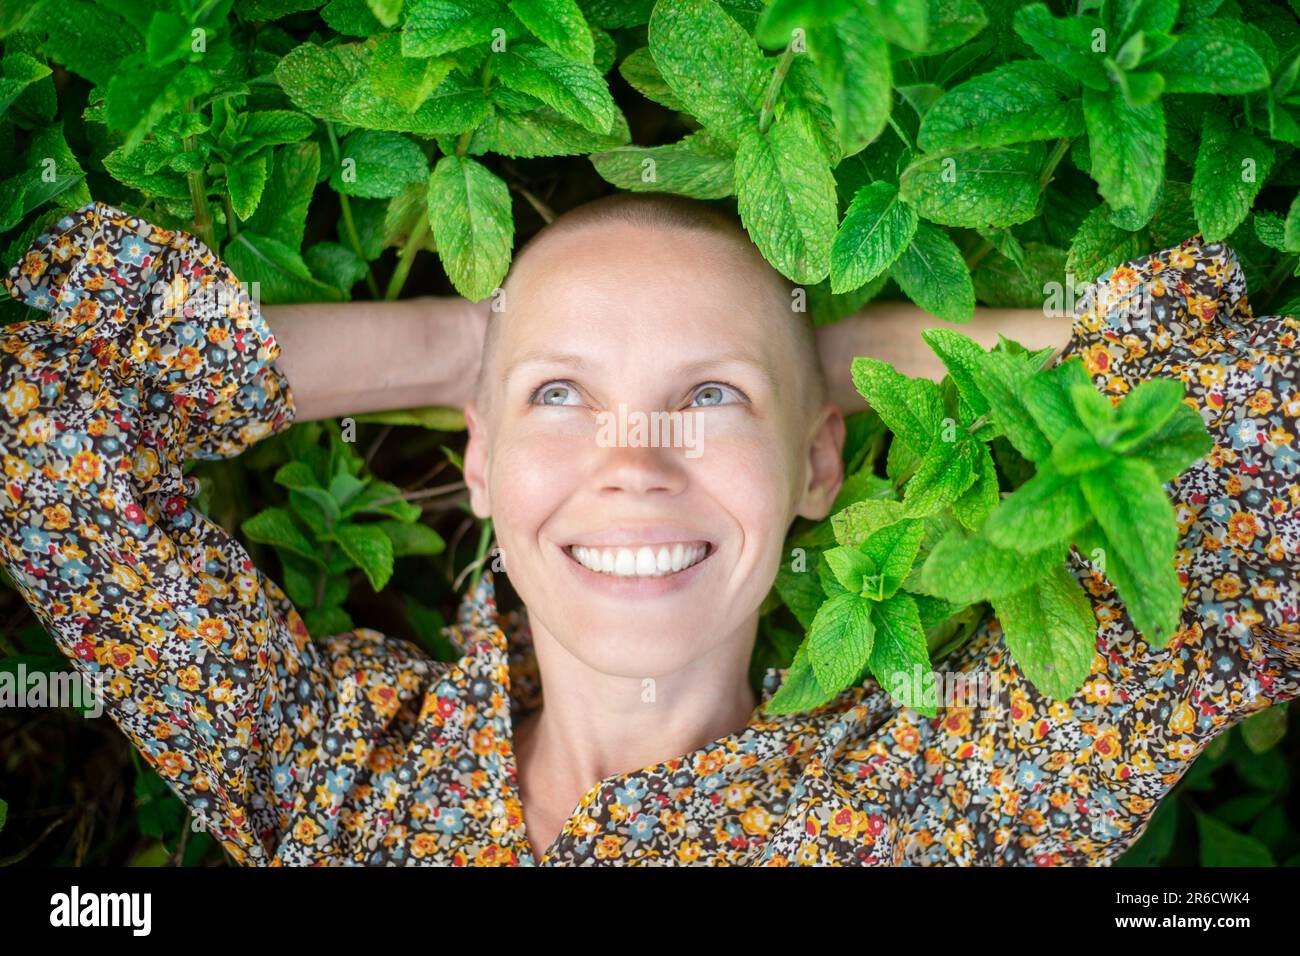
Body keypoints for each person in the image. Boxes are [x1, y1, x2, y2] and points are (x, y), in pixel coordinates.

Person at [0, 195, 1294, 866]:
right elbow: (36, 416)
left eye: (707, 398)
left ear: (819, 468)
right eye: (565, 398)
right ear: (483, 466)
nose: (632, 462)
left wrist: (848, 364)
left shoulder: (943, 808)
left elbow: (1262, 466)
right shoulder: (333, 777)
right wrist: (464, 345)